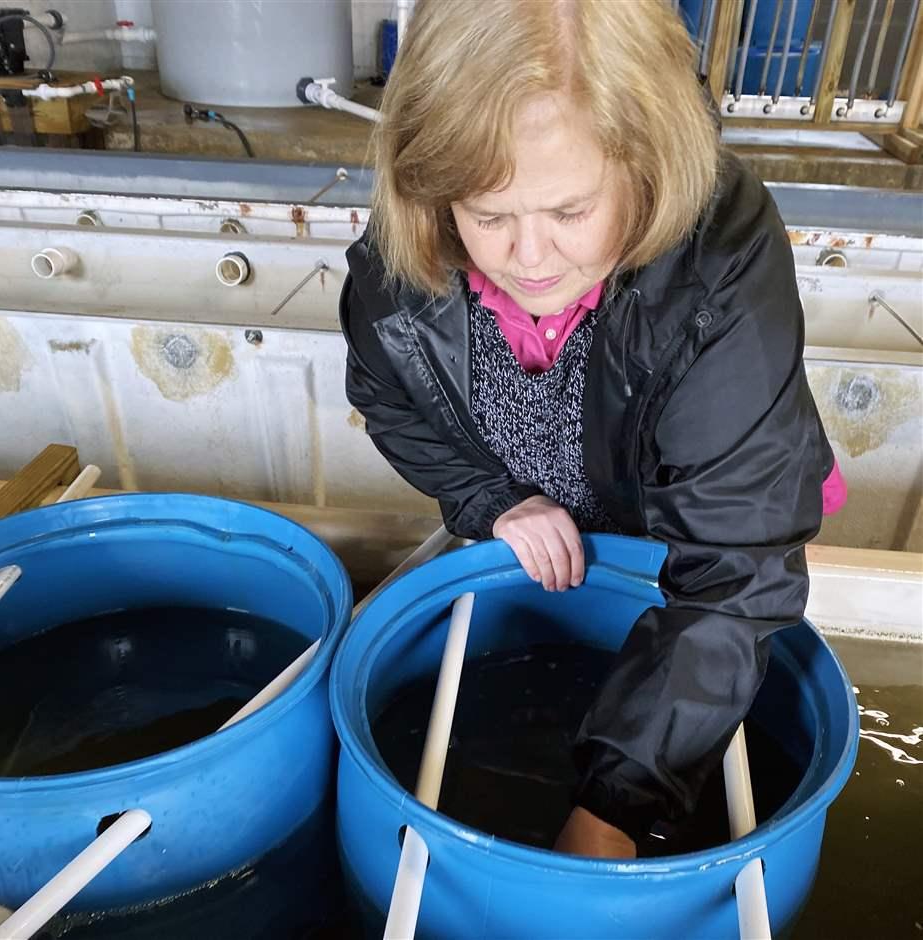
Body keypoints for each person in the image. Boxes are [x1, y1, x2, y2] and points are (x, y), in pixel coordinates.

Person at [340, 0, 843, 859]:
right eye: (488, 215)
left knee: (719, 637)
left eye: (570, 212)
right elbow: (388, 399)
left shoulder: (721, 258)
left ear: (645, 168)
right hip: (543, 497)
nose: (530, 258)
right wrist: (493, 499)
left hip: (711, 505)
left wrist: (613, 810)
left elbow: (735, 570)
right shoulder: (410, 241)